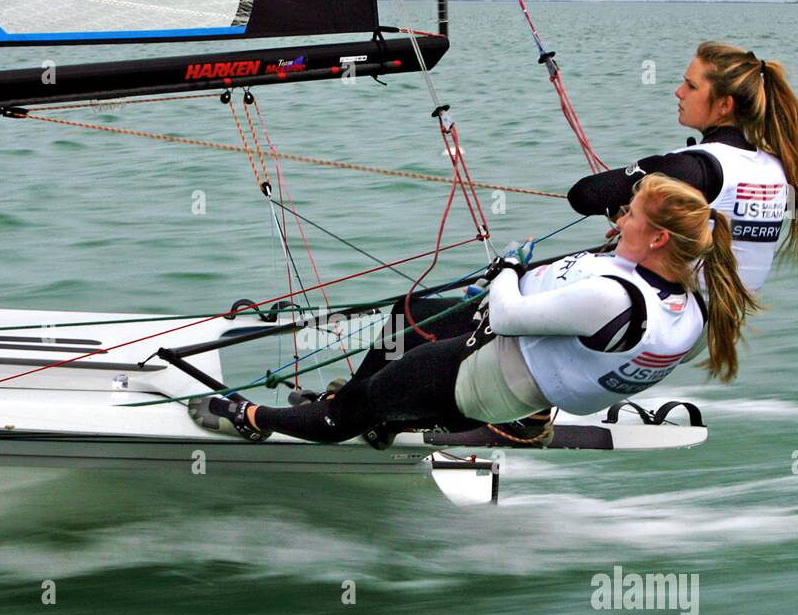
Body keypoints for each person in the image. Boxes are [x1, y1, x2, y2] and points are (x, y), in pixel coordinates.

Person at [188, 174, 759, 445]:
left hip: (484, 378)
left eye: (630, 216)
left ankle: (255, 418)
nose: (618, 221)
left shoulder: (614, 297)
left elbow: (510, 314)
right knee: (406, 314)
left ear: (659, 239)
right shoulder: (682, 297)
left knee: (348, 416)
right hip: (501, 350)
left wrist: (506, 270)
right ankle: (379, 413)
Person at [568, 42, 798, 291]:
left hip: (676, 313)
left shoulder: (695, 167)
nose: (679, 92)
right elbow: (723, 225)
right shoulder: (778, 168)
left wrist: (630, 212)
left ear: (724, 105)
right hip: (726, 316)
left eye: (691, 86)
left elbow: (584, 195)